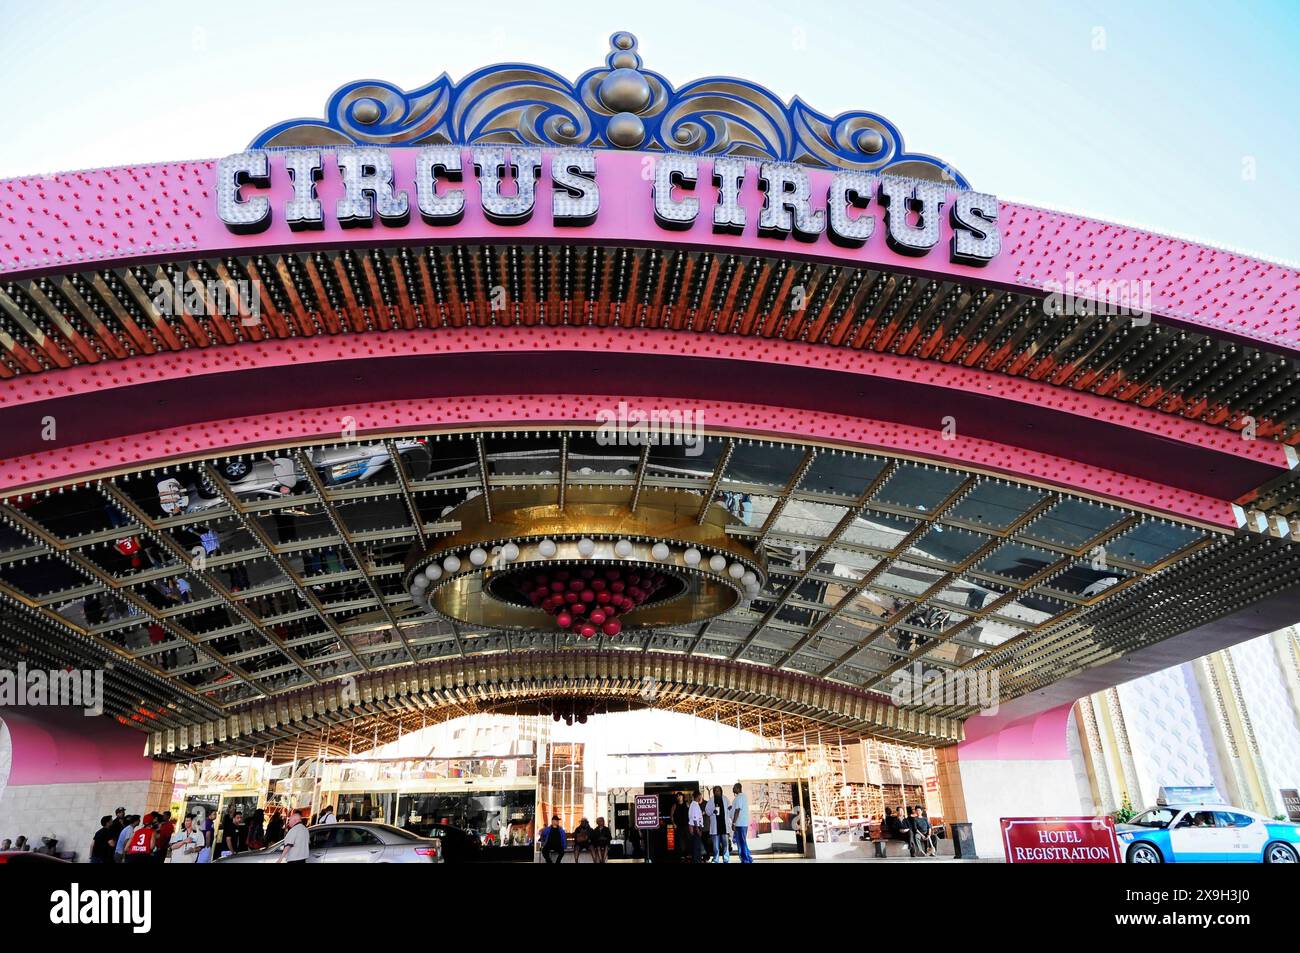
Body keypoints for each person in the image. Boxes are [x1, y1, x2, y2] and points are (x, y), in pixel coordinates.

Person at [706, 785, 731, 863]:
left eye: (718, 791)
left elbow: (729, 808)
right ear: (713, 792)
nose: (717, 792)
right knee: (716, 846)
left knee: (725, 845)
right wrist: (713, 811)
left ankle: (726, 859)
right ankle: (716, 859)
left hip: (724, 826)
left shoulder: (725, 798)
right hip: (715, 827)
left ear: (721, 791)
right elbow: (707, 811)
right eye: (715, 791)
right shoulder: (711, 800)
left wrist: (730, 809)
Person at [731, 783, 752, 863]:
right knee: (742, 842)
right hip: (742, 823)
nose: (733, 789)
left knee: (741, 843)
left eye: (734, 787)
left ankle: (745, 860)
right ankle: (748, 858)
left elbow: (737, 810)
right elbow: (735, 809)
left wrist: (734, 823)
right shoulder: (742, 796)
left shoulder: (740, 797)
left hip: (740, 824)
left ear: (738, 788)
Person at [671, 792, 690, 861]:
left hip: (687, 825)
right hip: (678, 826)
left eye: (680, 796)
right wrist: (674, 823)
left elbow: (690, 814)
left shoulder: (687, 804)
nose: (678, 797)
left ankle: (687, 854)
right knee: (680, 841)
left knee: (687, 840)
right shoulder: (674, 805)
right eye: (677, 796)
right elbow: (672, 816)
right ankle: (681, 855)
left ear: (682, 797)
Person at [687, 792, 705, 863]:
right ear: (698, 797)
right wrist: (697, 829)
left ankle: (698, 860)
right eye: (700, 796)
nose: (701, 798)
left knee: (697, 846)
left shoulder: (696, 804)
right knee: (696, 846)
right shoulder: (694, 805)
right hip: (695, 827)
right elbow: (694, 818)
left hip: (697, 826)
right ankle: (697, 861)